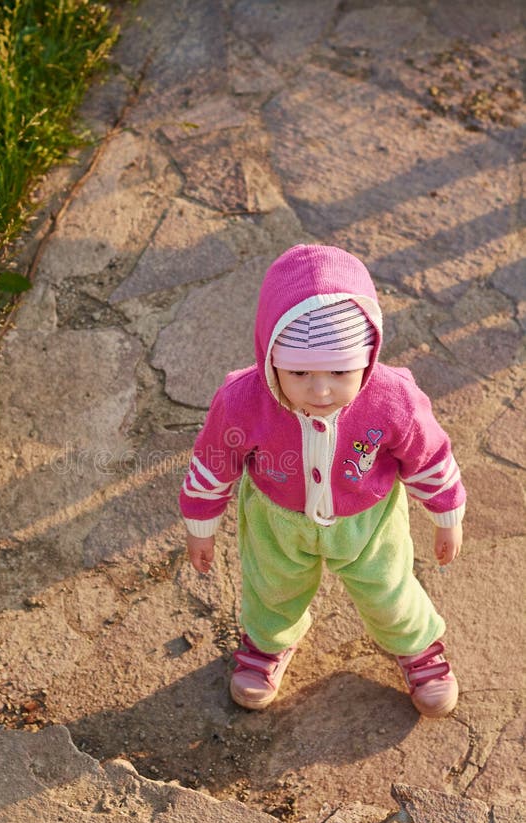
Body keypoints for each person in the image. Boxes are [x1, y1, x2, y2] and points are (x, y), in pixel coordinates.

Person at [180, 244, 465, 718]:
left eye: (339, 370)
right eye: (299, 372)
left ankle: (417, 646)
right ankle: (269, 643)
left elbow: (428, 453)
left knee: (389, 586)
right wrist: (200, 524)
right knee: (272, 587)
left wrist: (446, 513)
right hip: (276, 518)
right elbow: (214, 460)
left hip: (368, 520)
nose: (321, 389)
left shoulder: (393, 399)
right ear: (270, 357)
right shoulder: (243, 400)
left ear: (369, 355)